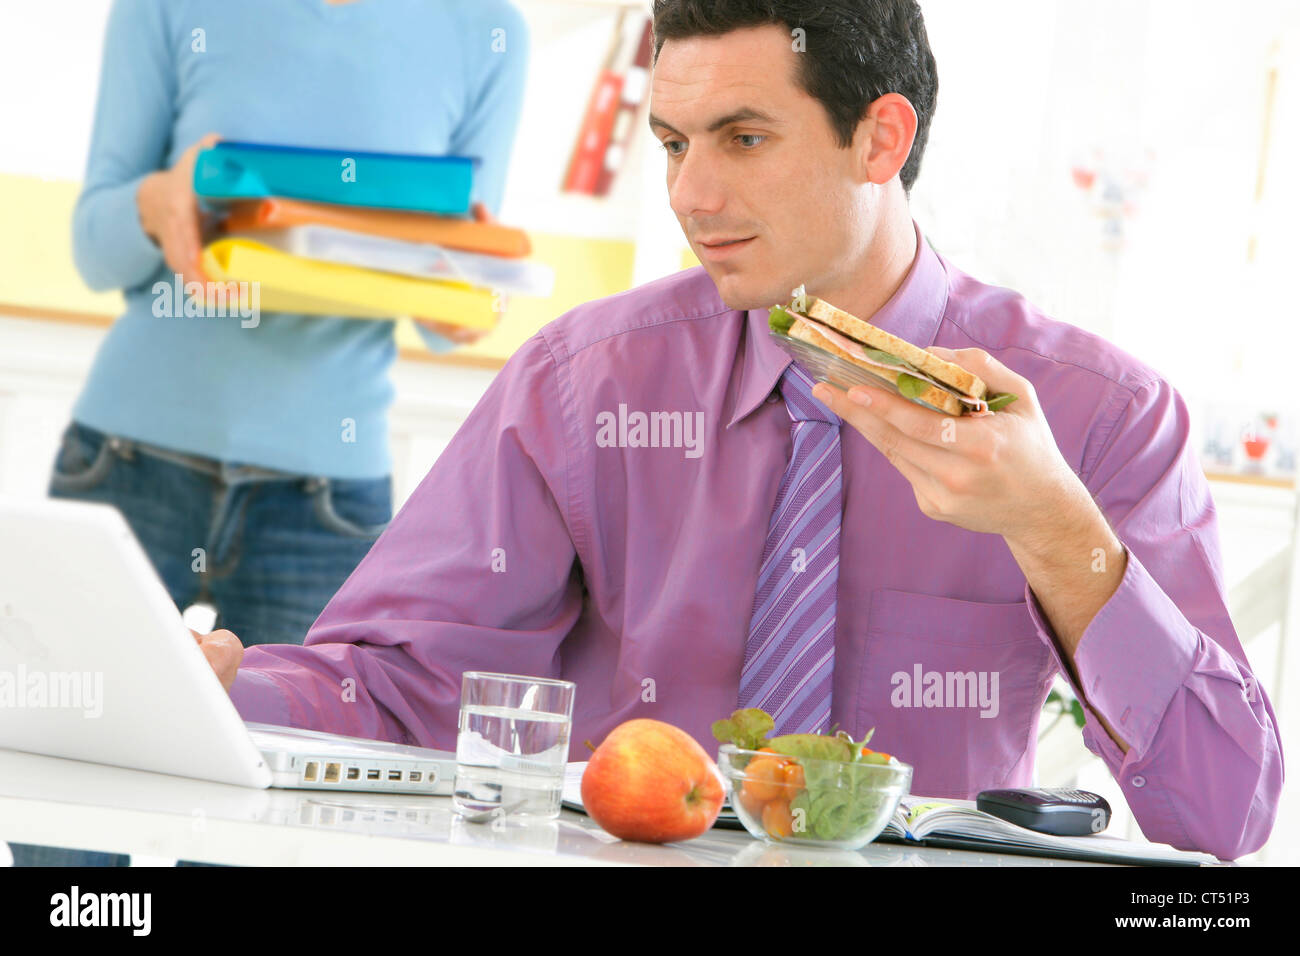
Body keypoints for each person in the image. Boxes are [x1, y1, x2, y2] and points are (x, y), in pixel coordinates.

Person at [194, 0, 1281, 862]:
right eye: (672, 141)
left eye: (743, 137)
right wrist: (212, 681)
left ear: (880, 137)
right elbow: (401, 685)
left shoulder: (1101, 415)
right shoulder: (583, 384)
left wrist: (1055, 531)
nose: (691, 192)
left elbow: (1225, 806)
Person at [9, 0, 528, 866]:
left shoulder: (484, 31)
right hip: (128, 460)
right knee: (69, 802)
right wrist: (156, 200)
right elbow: (96, 248)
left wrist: (470, 277)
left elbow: (456, 311)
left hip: (324, 502)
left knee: (270, 827)